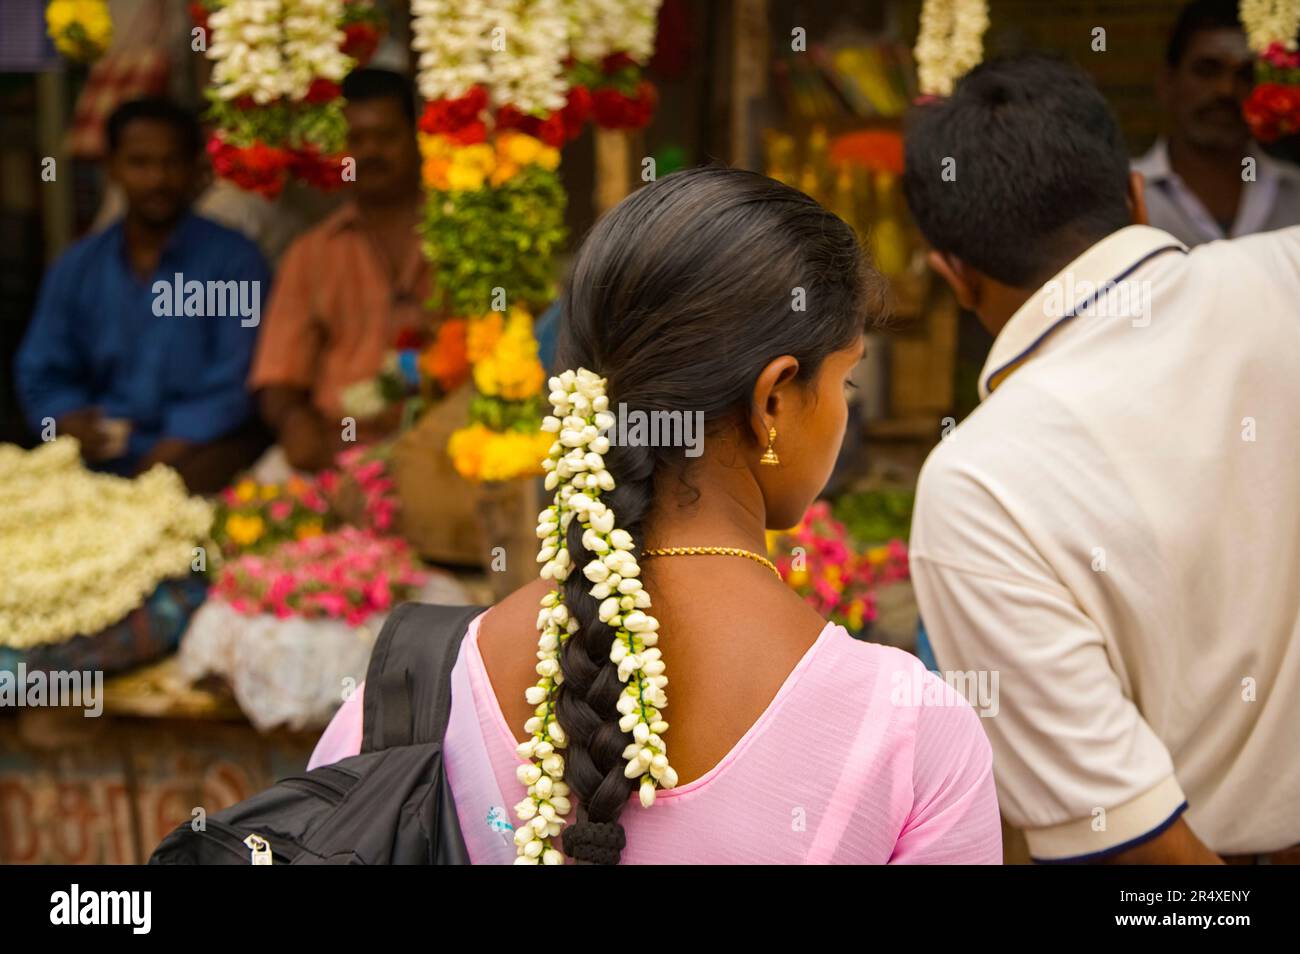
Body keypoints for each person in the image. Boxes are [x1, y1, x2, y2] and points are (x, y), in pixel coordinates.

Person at [306, 167, 1003, 864]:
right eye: (844, 379)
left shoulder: (415, 690)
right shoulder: (913, 734)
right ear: (774, 401)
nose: (846, 409)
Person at [903, 54, 1300, 864]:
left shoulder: (977, 484)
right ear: (1135, 194)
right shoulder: (1285, 272)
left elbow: (1128, 841)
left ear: (956, 276)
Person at [15, 98, 270, 493]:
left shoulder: (235, 262)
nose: (158, 179)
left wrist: (169, 452)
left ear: (196, 169)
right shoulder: (78, 266)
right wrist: (66, 419)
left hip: (201, 453)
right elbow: (42, 370)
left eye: (172, 163)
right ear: (113, 168)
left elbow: (237, 382)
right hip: (100, 456)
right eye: (140, 163)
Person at [249, 68, 435, 472]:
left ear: (416, 138)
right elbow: (279, 376)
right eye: (356, 140)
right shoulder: (312, 252)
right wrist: (294, 421)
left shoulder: (461, 238)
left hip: (448, 446)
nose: (371, 153)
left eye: (386, 137)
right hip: (336, 453)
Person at [1133, 0, 1300, 246]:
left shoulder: (1294, 193)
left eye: (1245, 74)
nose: (1226, 90)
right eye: (1207, 70)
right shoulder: (1118, 198)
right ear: (1167, 82)